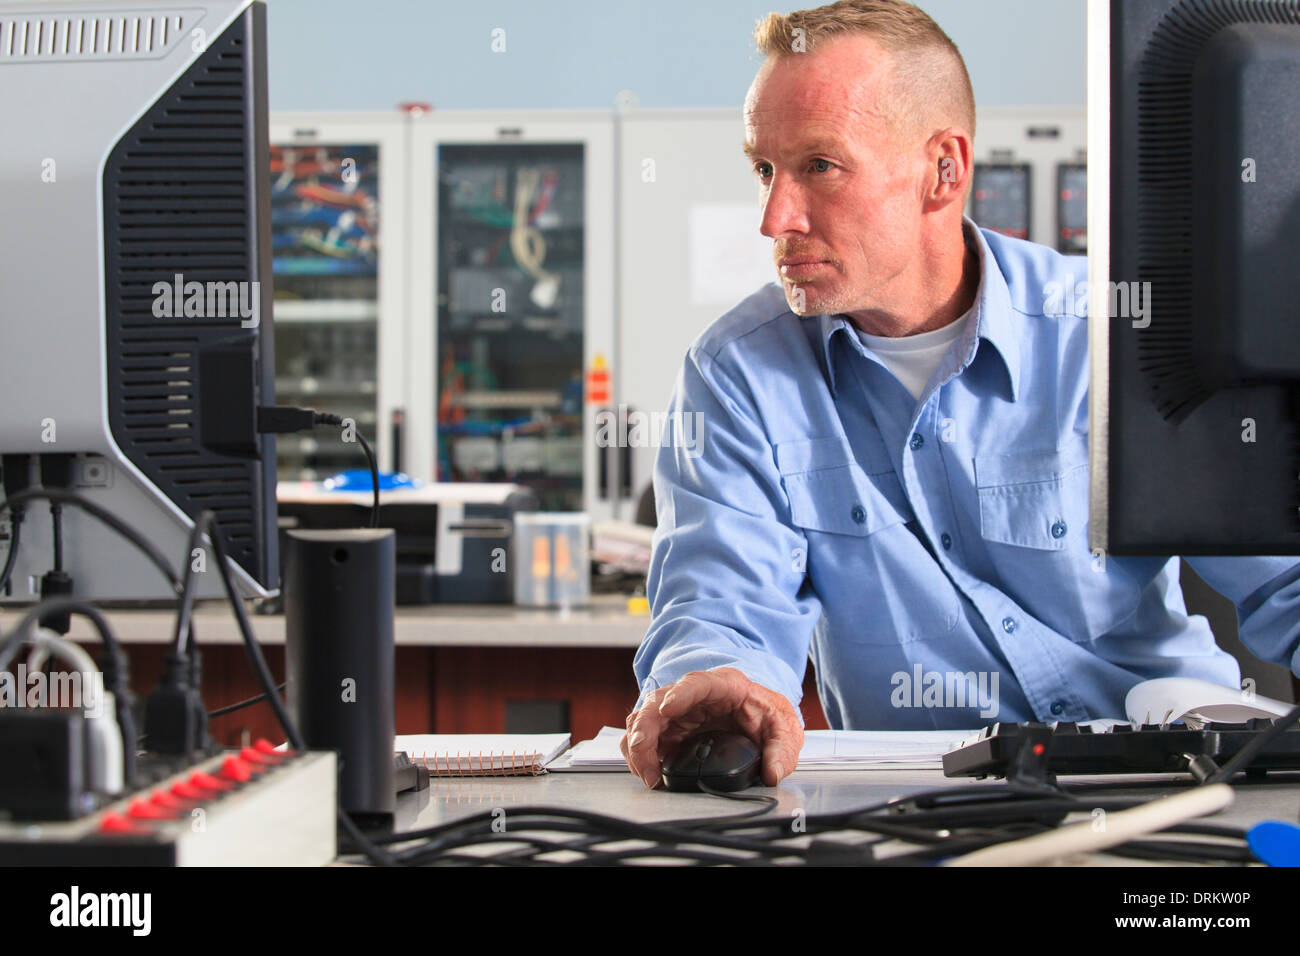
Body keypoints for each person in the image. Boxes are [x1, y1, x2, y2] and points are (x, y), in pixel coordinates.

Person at [620, 0, 1300, 791]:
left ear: (943, 170)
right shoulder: (737, 377)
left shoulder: (1111, 334)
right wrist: (716, 679)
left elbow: (1286, 578)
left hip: (1172, 782)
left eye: (819, 167)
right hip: (924, 799)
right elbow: (722, 603)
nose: (775, 217)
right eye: (765, 170)